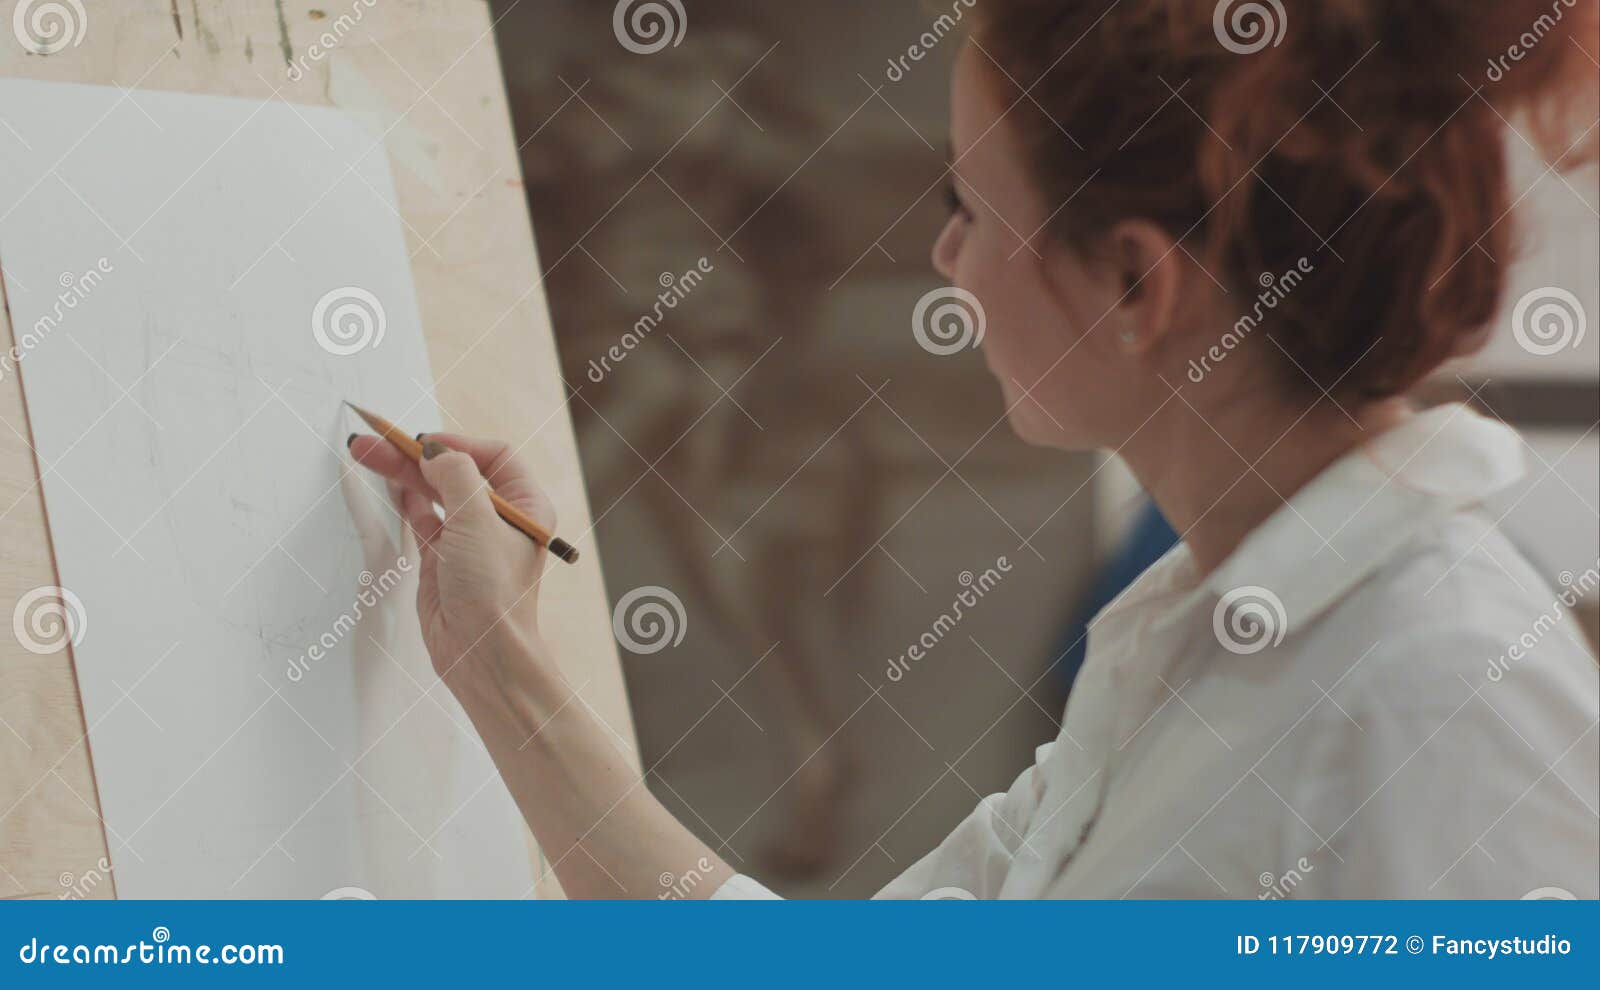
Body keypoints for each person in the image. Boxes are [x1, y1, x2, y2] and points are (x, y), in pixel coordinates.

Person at [351, 0, 1599, 898]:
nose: (948, 262)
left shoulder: (1439, 688)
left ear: (1129, 282)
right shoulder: (1181, 648)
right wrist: (493, 663)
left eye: (970, 210)